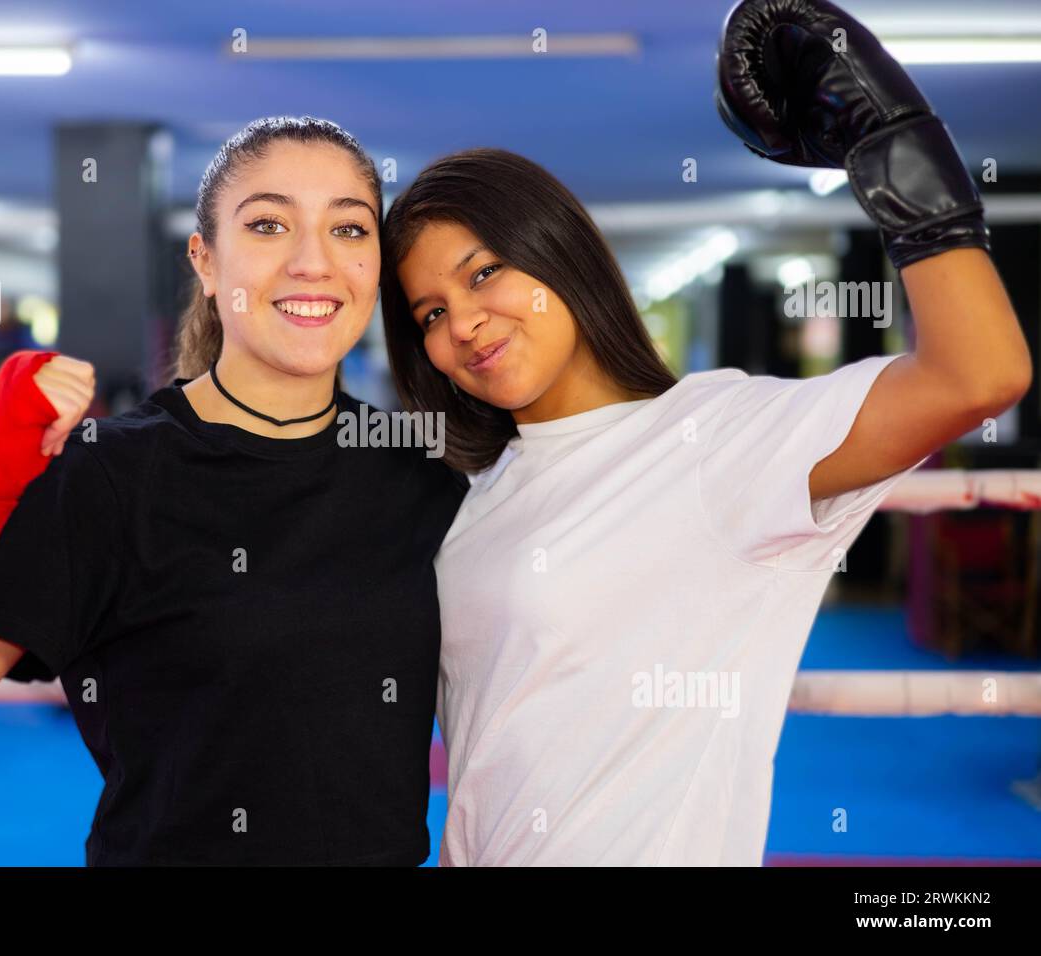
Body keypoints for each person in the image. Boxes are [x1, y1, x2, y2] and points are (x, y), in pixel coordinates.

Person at [379, 0, 1032, 865]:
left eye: (485, 273)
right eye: (430, 311)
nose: (462, 322)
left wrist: (894, 145)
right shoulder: (474, 495)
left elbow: (977, 376)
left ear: (557, 253)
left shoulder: (714, 440)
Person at [0, 116, 467, 866]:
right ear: (205, 261)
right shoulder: (113, 477)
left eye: (350, 230)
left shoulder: (426, 478)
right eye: (268, 225)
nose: (313, 262)